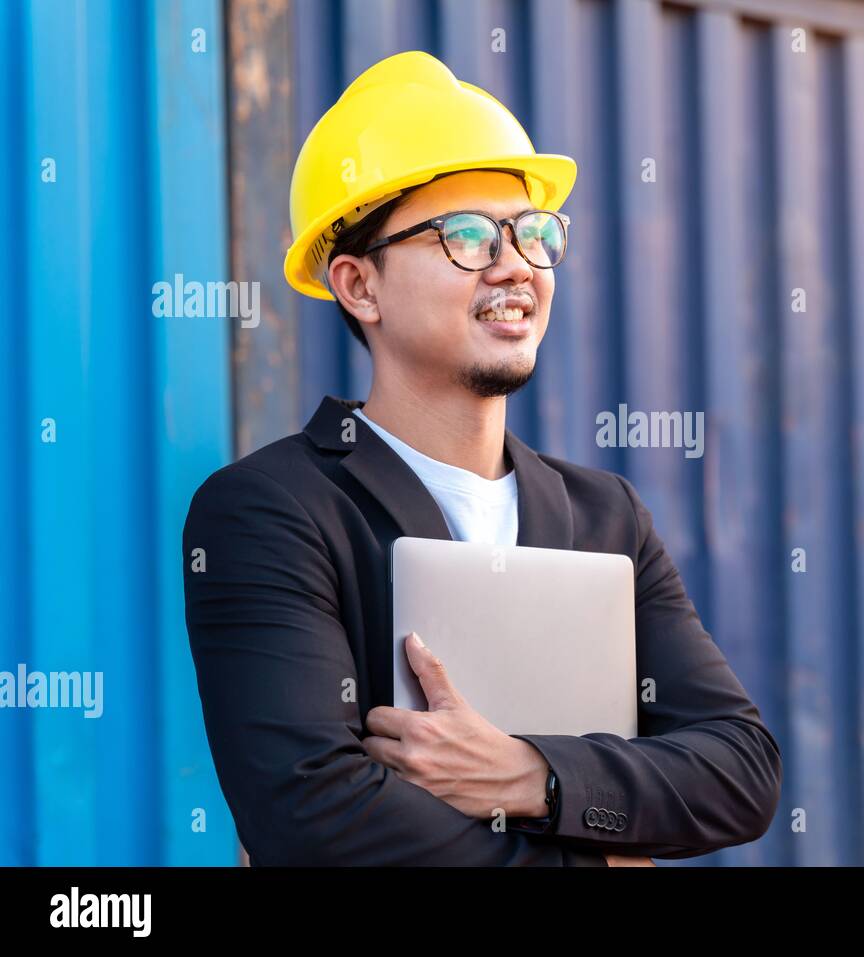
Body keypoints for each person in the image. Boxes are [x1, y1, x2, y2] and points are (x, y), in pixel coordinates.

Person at [182, 51, 781, 866]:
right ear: (360, 286)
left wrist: (532, 776)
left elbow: (740, 771)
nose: (515, 265)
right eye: (464, 236)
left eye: (532, 233)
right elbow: (312, 811)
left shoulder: (607, 516)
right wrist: (606, 852)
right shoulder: (270, 509)